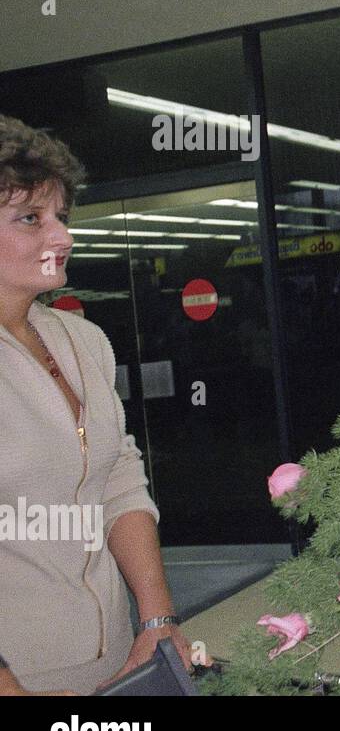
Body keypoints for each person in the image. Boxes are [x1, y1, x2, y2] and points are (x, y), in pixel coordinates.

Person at [0, 114, 201, 694]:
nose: (61, 236)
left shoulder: (81, 339)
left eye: (61, 216)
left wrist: (157, 619)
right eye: (30, 218)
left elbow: (118, 477)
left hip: (118, 661)